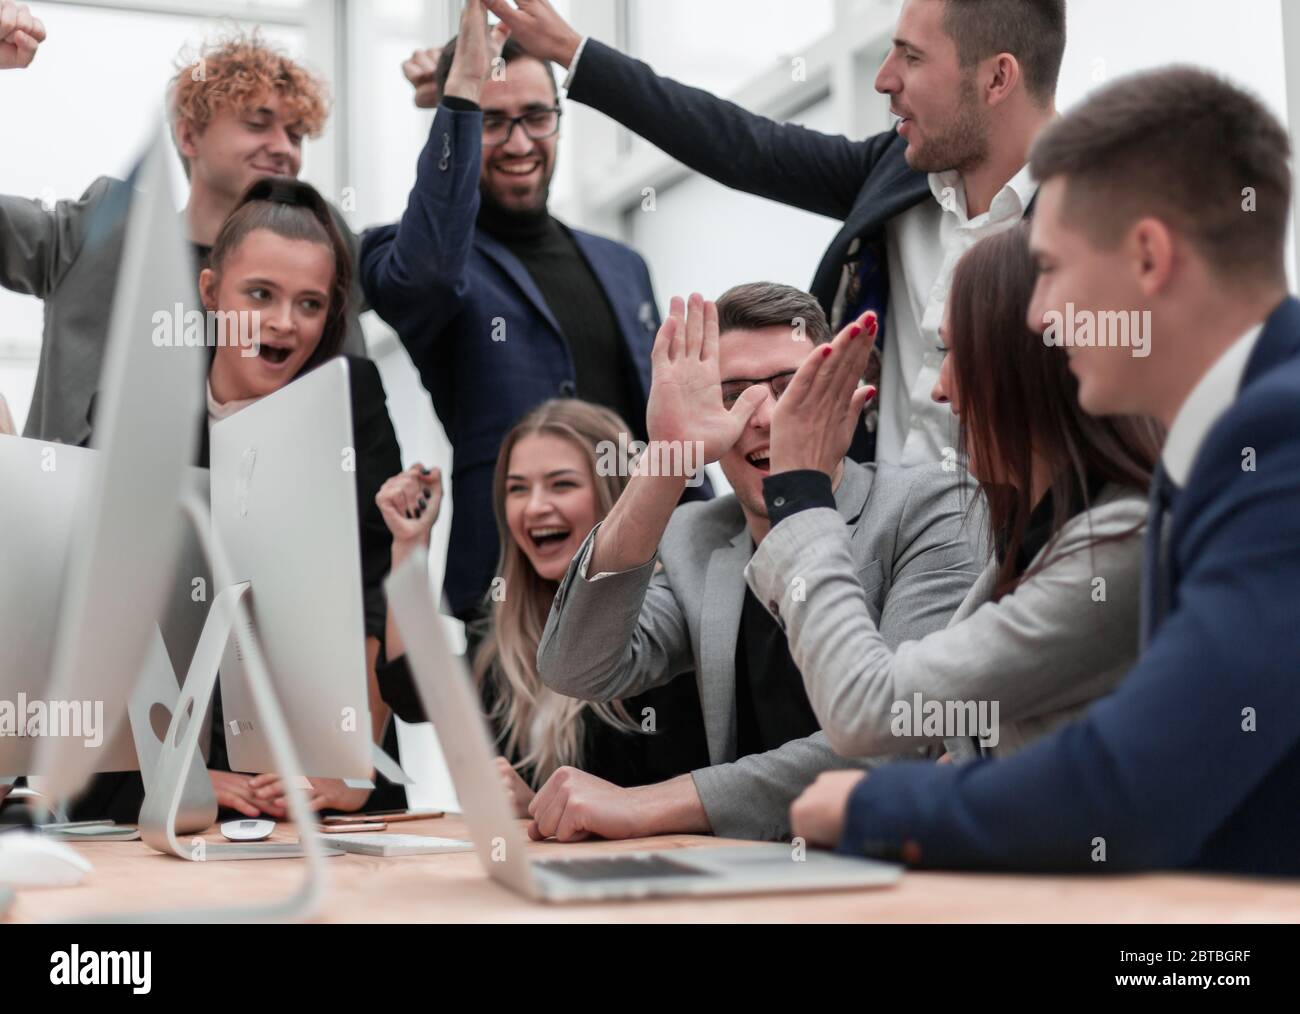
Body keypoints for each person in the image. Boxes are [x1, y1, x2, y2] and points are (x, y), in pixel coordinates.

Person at [792, 66, 1300, 876]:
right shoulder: (1219, 450)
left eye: (1054, 269)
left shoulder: (1278, 439)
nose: (1035, 315)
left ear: (1147, 259)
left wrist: (870, 806)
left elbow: (1138, 779)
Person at [483, 0, 1065, 469]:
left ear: (997, 77)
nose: (884, 80)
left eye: (911, 57)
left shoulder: (1096, 227)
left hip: (1014, 558)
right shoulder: (895, 168)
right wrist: (570, 52)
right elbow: (740, 144)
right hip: (871, 542)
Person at [531, 283, 981, 843]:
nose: (765, 416)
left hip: (894, 868)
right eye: (734, 396)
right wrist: (668, 462)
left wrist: (652, 804)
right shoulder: (699, 534)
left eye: (791, 387)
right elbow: (576, 667)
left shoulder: (932, 505)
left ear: (845, 395)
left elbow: (899, 738)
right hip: (747, 880)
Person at [745, 225, 1159, 764]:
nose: (939, 388)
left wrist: (803, 495)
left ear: (1027, 363)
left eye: (954, 349)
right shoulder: (1039, 533)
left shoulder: (1119, 545)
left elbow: (869, 712)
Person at [69, 178, 403, 823]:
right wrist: (176, 768)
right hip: (156, 770)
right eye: (260, 295)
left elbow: (373, 585)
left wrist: (350, 761)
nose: (284, 323)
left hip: (320, 772)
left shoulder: (349, 396)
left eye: (309, 303)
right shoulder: (139, 407)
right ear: (210, 293)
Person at [361, 0, 705, 625]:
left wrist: (704, 552)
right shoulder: (411, 254)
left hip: (645, 590)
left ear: (558, 120)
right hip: (508, 593)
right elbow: (428, 272)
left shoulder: (623, 264)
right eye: (492, 122)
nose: (519, 142)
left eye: (536, 117)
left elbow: (663, 420)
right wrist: (459, 94)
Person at [0, 16, 367, 447]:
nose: (285, 148)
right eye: (257, 124)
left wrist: (459, 100)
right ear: (189, 136)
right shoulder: (98, 233)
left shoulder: (324, 258)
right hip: (78, 507)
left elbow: (427, 266)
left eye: (296, 134)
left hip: (263, 510)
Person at [373, 399, 710, 815]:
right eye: (517, 489)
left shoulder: (668, 621)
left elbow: (686, 807)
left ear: (618, 498)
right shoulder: (502, 634)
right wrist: (409, 543)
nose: (534, 507)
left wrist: (534, 808)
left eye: (562, 484)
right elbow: (410, 688)